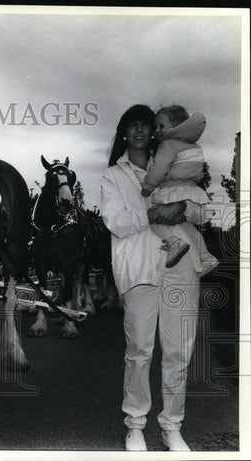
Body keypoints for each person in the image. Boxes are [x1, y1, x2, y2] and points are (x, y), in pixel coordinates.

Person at [100, 105, 203, 452]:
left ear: (155, 131)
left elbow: (201, 209)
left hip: (182, 265)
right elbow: (117, 222)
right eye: (134, 126)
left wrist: (184, 208)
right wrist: (153, 212)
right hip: (139, 270)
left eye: (147, 124)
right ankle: (136, 425)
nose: (141, 130)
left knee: (178, 352)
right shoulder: (113, 176)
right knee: (140, 351)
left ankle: (172, 427)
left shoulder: (174, 164)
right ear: (125, 133)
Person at [141, 105, 219, 274]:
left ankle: (173, 241)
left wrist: (147, 187)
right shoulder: (194, 146)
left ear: (178, 127)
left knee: (151, 218)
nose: (157, 131)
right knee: (187, 226)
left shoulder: (168, 145)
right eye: (156, 127)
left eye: (161, 126)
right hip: (192, 192)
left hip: (173, 191)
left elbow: (159, 169)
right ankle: (205, 256)